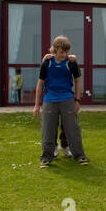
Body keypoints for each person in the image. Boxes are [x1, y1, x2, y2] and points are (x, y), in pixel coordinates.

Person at [33, 36, 88, 167]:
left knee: (72, 128)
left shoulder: (71, 62)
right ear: (55, 49)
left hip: (67, 99)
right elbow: (40, 84)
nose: (64, 55)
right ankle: (46, 157)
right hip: (49, 100)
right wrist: (36, 105)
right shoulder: (47, 63)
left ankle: (79, 155)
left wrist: (77, 99)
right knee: (48, 129)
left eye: (66, 52)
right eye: (62, 52)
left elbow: (78, 80)